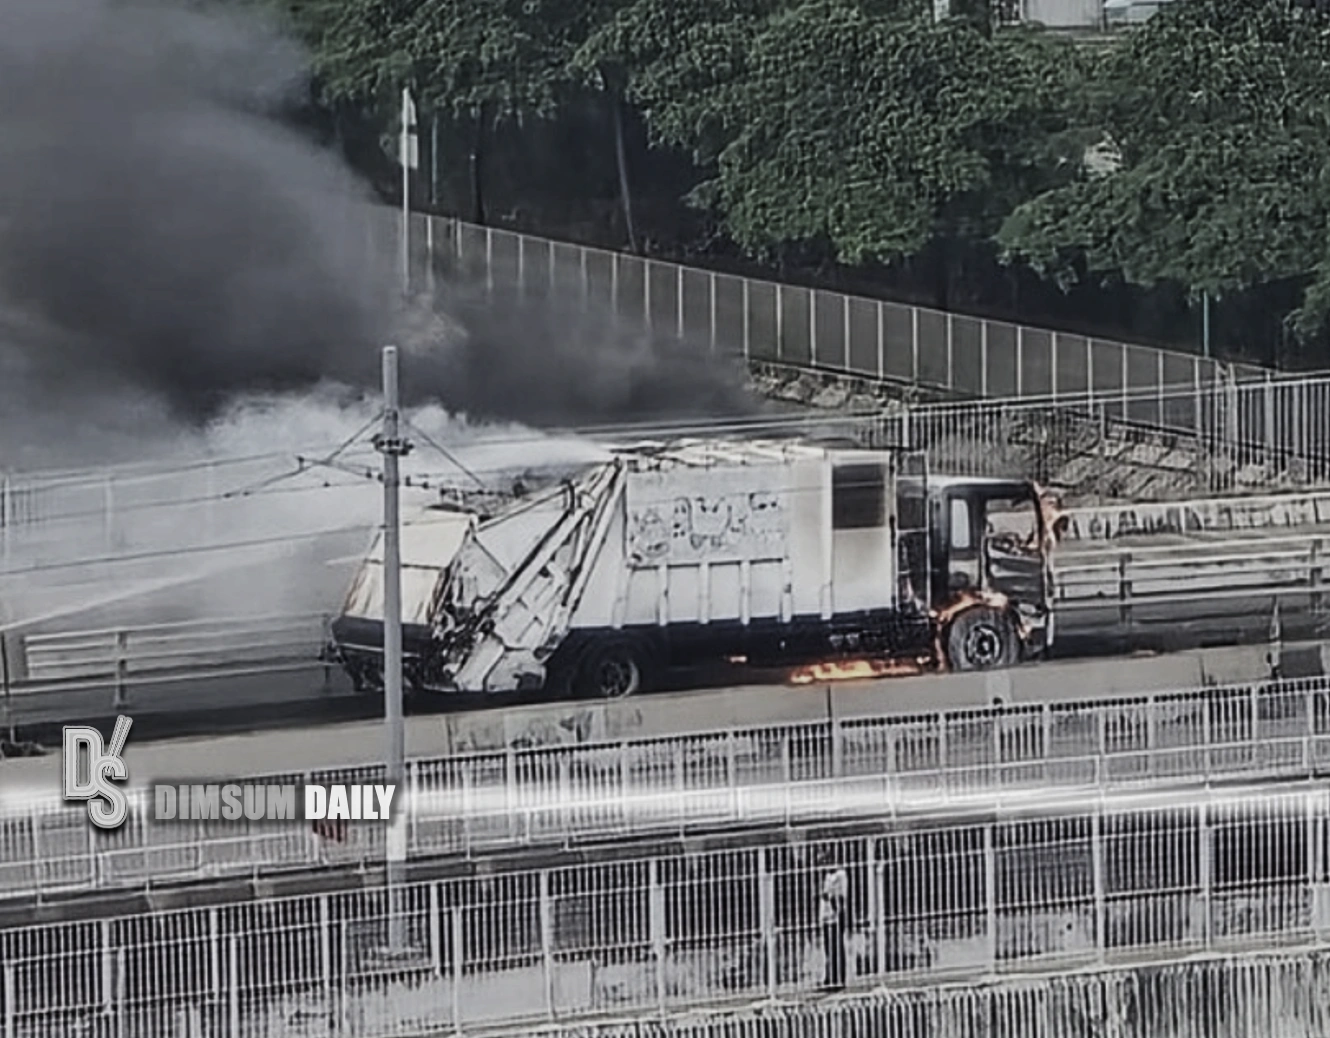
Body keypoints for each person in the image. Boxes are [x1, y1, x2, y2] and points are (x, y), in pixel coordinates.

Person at [819, 864, 848, 991]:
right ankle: (830, 977)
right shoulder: (827, 876)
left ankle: (838, 979)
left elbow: (839, 896)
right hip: (827, 916)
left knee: (836, 947)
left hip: (834, 916)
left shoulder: (840, 875)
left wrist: (830, 898)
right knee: (829, 949)